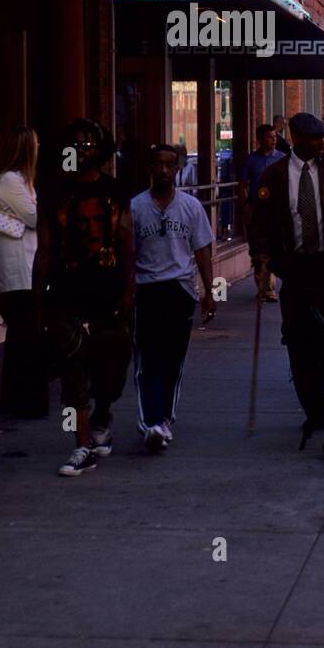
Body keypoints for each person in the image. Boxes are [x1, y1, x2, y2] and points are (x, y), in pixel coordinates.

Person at [249, 112, 324, 436]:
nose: (323, 143)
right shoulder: (274, 176)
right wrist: (262, 257)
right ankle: (314, 411)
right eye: (316, 138)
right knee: (300, 343)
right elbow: (259, 222)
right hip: (298, 269)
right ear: (298, 139)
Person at [34, 119, 134, 477]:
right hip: (66, 292)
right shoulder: (53, 191)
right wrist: (38, 297)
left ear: (101, 150)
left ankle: (104, 413)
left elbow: (125, 241)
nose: (83, 150)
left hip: (107, 291)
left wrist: (128, 290)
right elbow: (44, 247)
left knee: (111, 367)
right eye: (77, 144)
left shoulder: (115, 190)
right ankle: (82, 445)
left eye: (90, 144)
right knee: (73, 370)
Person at [130, 144, 215, 453]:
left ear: (178, 169)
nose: (164, 170)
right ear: (149, 168)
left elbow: (202, 250)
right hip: (147, 288)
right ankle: (150, 422)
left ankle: (165, 418)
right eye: (158, 165)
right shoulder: (136, 207)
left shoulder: (191, 207)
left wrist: (209, 292)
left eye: (170, 165)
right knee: (147, 361)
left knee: (173, 361)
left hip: (179, 290)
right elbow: (128, 254)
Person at [0, 126, 47, 419]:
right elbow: (36, 218)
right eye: (36, 144)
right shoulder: (11, 180)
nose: (39, 148)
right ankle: (22, 403)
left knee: (25, 336)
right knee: (25, 335)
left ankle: (23, 402)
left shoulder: (23, 181)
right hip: (16, 271)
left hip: (24, 268)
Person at [239, 125, 285, 302]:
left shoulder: (282, 159)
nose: (273, 140)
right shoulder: (251, 160)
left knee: (273, 248)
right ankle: (262, 287)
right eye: (269, 137)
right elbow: (242, 184)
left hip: (276, 211)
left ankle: (270, 288)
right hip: (256, 209)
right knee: (257, 251)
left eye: (274, 137)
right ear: (260, 139)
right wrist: (244, 207)